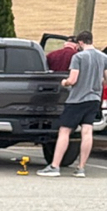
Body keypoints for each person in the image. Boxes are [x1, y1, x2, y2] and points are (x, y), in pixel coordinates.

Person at [39, 30, 107, 177]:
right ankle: (81, 168)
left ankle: (54, 166)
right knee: (87, 132)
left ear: (80, 42)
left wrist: (64, 82)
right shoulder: (103, 57)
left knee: (65, 131)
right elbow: (106, 77)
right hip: (94, 99)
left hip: (77, 99)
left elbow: (72, 80)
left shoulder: (78, 57)